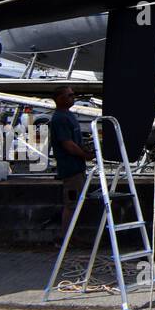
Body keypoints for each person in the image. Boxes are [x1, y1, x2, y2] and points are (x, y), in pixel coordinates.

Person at [49, 87, 93, 243]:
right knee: (71, 203)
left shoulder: (68, 116)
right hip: (70, 168)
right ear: (59, 98)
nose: (73, 97)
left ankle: (69, 235)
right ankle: (66, 237)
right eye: (69, 95)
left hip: (77, 166)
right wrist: (85, 155)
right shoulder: (60, 118)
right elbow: (67, 144)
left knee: (75, 203)